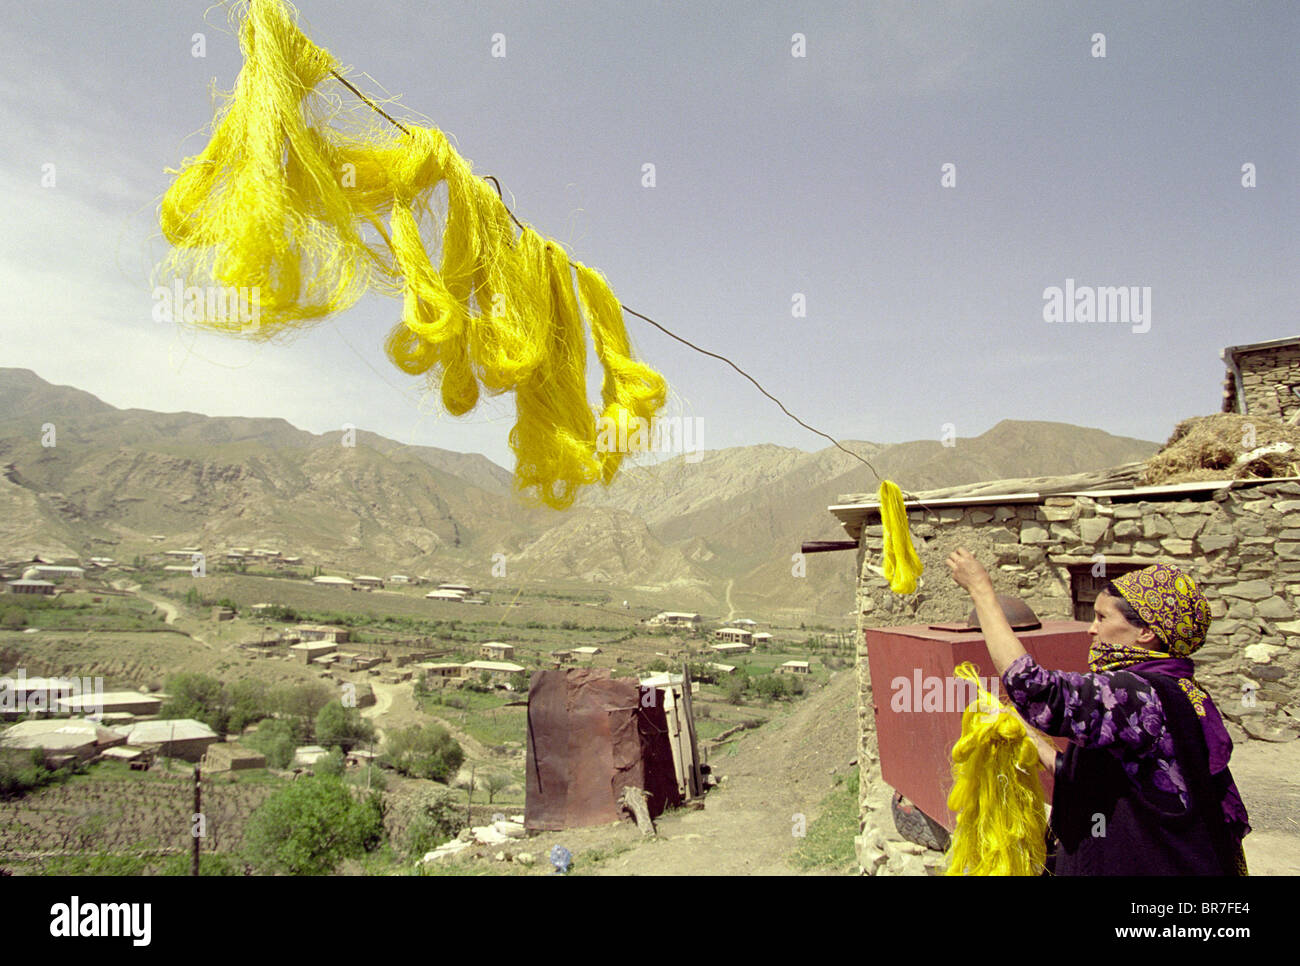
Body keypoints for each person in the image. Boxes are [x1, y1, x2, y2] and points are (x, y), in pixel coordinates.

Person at [945, 547, 1250, 875]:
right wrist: (1027, 733)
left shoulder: (1139, 694)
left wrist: (981, 591)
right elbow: (1087, 777)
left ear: (1146, 632)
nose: (1092, 629)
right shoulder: (1177, 688)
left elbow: (1035, 690)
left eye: (1103, 618)